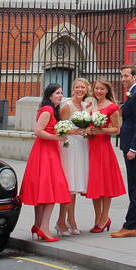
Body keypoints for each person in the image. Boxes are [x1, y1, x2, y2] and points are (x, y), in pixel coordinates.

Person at [19, 84, 70, 242]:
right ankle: (44, 228)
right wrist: (57, 137)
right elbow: (37, 131)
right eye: (57, 93)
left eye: (61, 93)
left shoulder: (49, 110)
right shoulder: (48, 110)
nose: (60, 96)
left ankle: (38, 225)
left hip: (45, 152)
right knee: (52, 189)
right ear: (49, 95)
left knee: (42, 189)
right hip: (46, 153)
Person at [110, 65, 136, 238]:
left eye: (126, 76)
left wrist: (133, 148)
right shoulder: (133, 93)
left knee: (134, 185)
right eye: (122, 76)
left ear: (134, 77)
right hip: (131, 144)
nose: (123, 79)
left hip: (133, 146)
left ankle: (130, 225)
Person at [85, 78, 126, 232]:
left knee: (105, 185)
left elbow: (116, 129)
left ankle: (104, 217)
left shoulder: (112, 107)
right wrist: (88, 129)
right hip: (91, 147)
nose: (99, 91)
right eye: (96, 88)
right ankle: (98, 217)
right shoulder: (90, 104)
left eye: (102, 89)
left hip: (103, 148)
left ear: (107, 90)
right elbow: (85, 123)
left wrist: (101, 130)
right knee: (94, 185)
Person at [55, 78, 94, 235]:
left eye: (82, 87)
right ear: (73, 89)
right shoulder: (67, 106)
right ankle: (61, 221)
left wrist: (88, 130)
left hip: (82, 145)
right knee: (69, 184)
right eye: (77, 87)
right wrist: (76, 131)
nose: (80, 90)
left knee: (75, 186)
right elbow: (59, 128)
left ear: (86, 89)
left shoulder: (86, 105)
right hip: (70, 146)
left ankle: (71, 220)